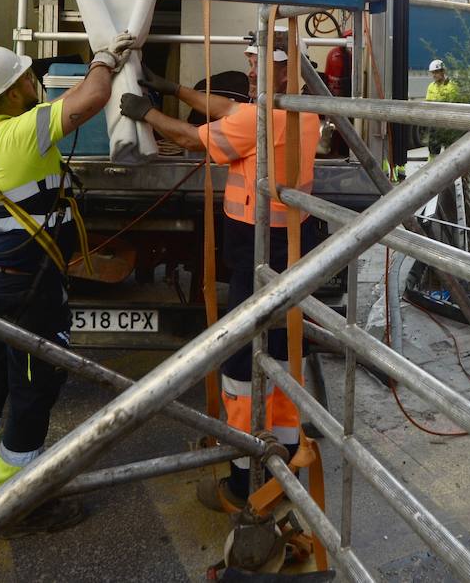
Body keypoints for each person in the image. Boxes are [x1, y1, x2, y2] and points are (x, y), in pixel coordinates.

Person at [120, 29, 321, 511]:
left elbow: (192, 137)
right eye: (250, 59)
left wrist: (147, 113)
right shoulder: (299, 111)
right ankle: (286, 452)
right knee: (280, 352)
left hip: (260, 253)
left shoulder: (260, 119)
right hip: (286, 249)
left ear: (287, 70)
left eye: (261, 61)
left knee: (242, 362)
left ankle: (244, 478)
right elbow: (227, 109)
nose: (250, 68)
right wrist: (174, 89)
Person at [0, 32, 132, 533]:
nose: (35, 82)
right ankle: (18, 500)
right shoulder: (22, 133)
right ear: (11, 94)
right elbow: (93, 96)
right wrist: (103, 58)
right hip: (27, 288)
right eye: (27, 78)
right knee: (34, 386)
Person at [424, 59, 459, 155]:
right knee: (433, 149)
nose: (434, 75)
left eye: (436, 72)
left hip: (447, 123)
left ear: (442, 71)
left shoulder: (451, 86)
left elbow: (454, 106)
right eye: (432, 73)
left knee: (449, 149)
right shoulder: (431, 86)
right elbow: (428, 104)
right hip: (434, 122)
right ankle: (432, 163)